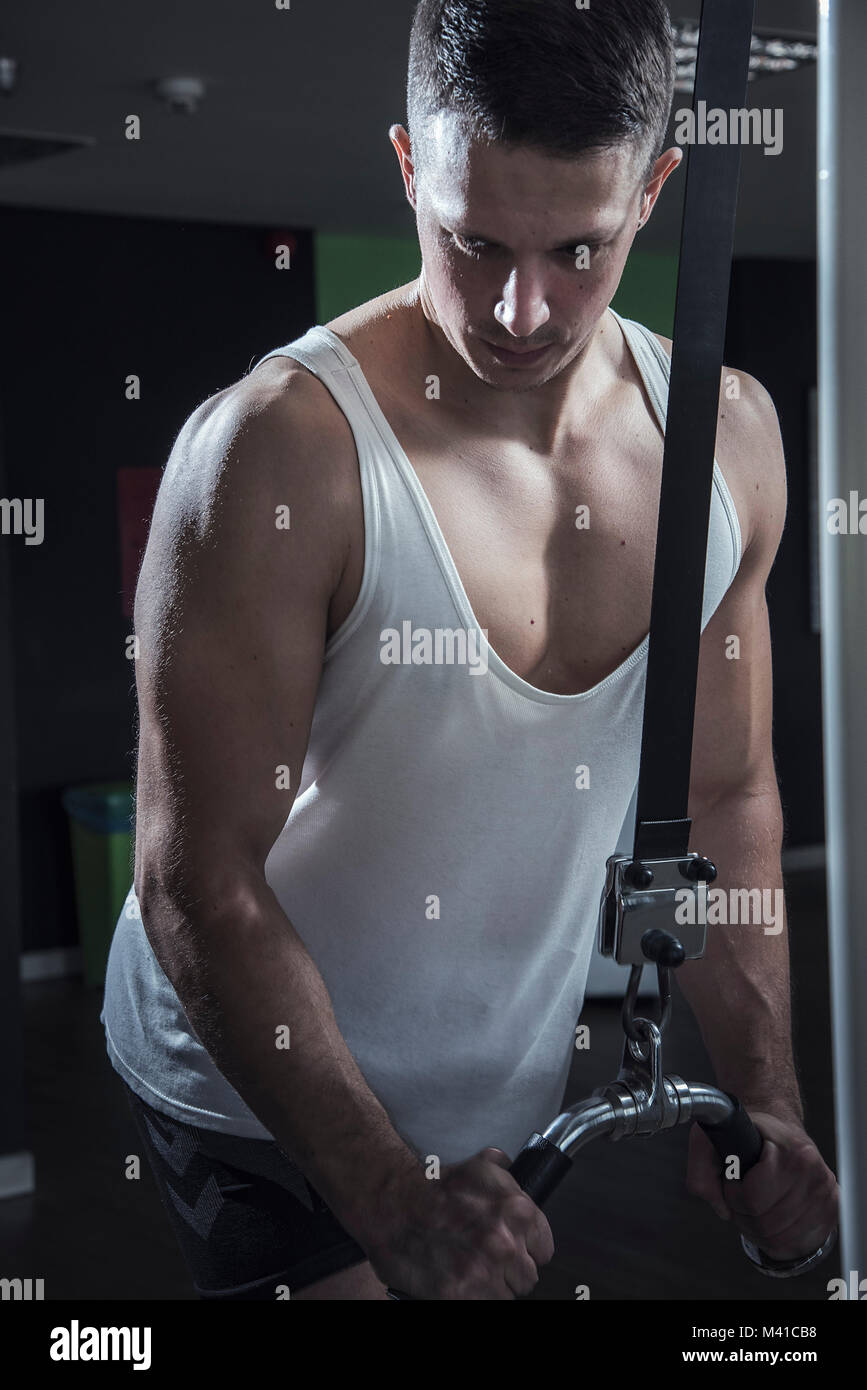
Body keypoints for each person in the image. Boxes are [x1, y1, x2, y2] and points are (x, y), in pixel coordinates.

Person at [101, 0, 839, 1300]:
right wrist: (384, 1186)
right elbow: (196, 878)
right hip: (249, 1088)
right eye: (474, 240)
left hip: (495, 1094)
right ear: (409, 167)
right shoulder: (279, 451)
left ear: (654, 189)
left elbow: (725, 795)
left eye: (578, 250)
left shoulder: (725, 441)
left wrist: (766, 1096)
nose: (520, 307)